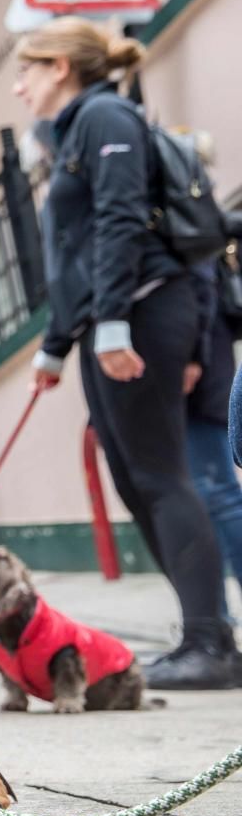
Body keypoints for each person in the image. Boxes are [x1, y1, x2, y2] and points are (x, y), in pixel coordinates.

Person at [16, 16, 237, 689]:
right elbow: (77, 255)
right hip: (113, 315)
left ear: (59, 66)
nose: (19, 87)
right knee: (137, 479)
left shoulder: (105, 115)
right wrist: (57, 345)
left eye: (26, 70)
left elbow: (118, 221)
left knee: (163, 473)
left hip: (142, 307)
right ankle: (204, 633)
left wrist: (110, 323)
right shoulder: (76, 130)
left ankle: (211, 643)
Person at [185, 261, 242, 624]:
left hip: (199, 385)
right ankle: (214, 616)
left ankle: (214, 621)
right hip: (196, 383)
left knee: (217, 495)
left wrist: (191, 357)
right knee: (209, 498)